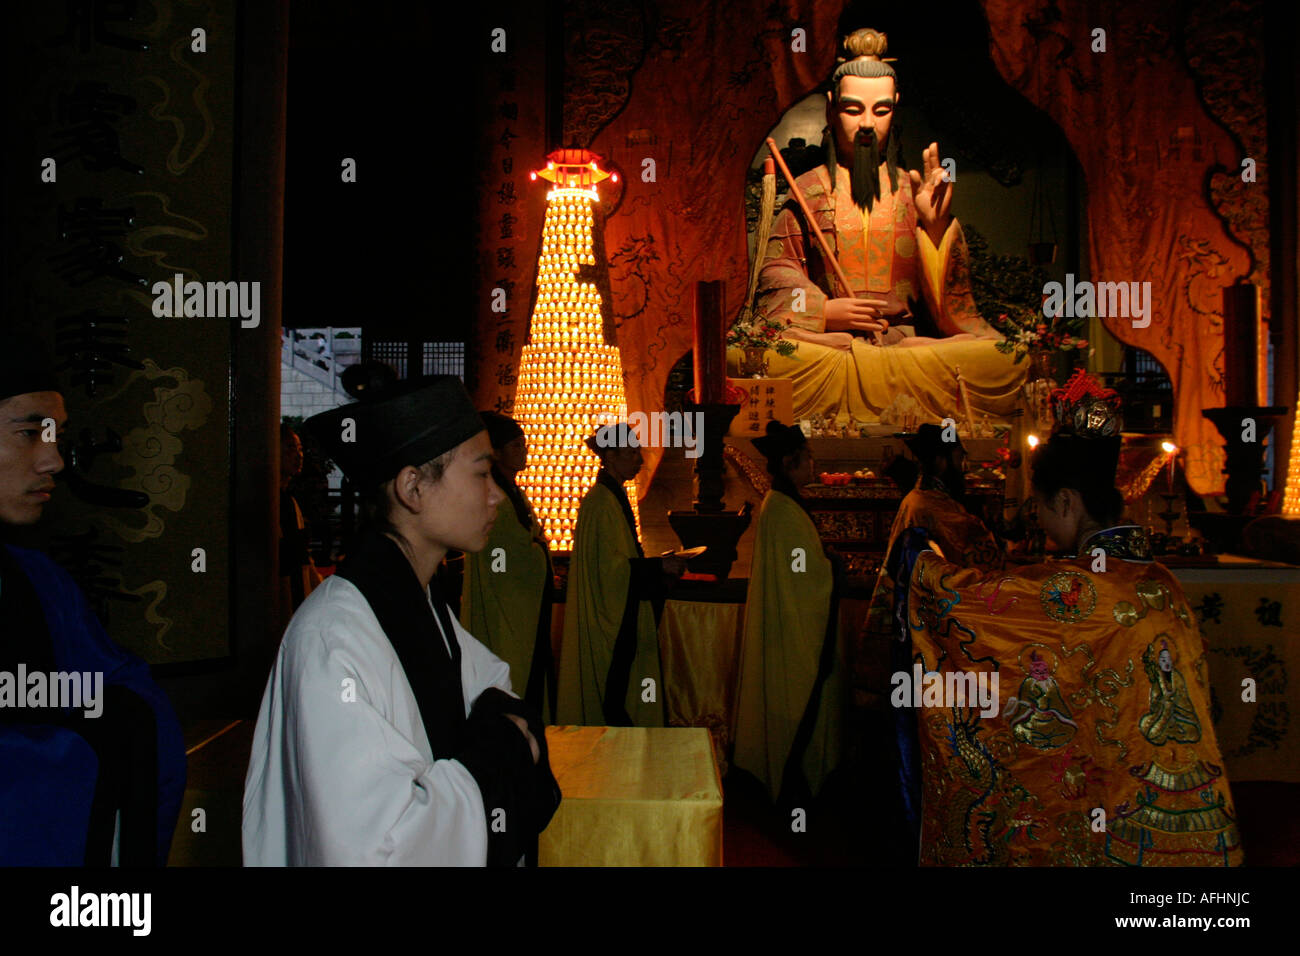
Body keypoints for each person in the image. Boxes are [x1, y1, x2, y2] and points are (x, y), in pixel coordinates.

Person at [889, 372, 1243, 865]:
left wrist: (919, 562)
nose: (1036, 517)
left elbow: (973, 605)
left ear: (1066, 501)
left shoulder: (1072, 588)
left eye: (1039, 505)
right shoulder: (1163, 581)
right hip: (1168, 785)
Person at [243, 376, 560, 866]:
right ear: (412, 487)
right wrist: (505, 748)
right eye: (481, 474)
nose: (496, 496)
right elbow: (382, 847)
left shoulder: (424, 601)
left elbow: (499, 693)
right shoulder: (333, 639)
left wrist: (494, 744)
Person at [740, 28, 1022, 425]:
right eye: (854, 110)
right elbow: (776, 272)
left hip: (907, 346)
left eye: (881, 110)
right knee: (757, 357)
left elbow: (950, 307)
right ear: (831, 108)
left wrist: (936, 228)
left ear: (896, 108)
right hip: (828, 346)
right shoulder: (807, 191)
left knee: (1000, 358)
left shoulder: (912, 191)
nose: (868, 123)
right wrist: (824, 310)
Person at [0, 336, 186, 866]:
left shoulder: (39, 580)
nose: (54, 460)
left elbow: (130, 700)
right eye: (30, 432)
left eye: (56, 436)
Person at [860, 423, 1004, 840]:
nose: (964, 464)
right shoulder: (937, 509)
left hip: (912, 629)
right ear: (941, 460)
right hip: (930, 635)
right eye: (959, 457)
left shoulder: (917, 499)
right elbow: (987, 564)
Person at [733, 421, 847, 806]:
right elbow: (802, 576)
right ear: (788, 462)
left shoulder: (781, 505)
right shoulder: (782, 510)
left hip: (786, 628)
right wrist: (830, 567)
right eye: (807, 458)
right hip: (794, 635)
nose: (812, 464)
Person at [556, 423, 683, 727]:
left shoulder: (612, 497)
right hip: (611, 619)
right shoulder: (600, 503)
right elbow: (609, 571)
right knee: (614, 697)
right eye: (631, 453)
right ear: (610, 456)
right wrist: (657, 567)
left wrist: (653, 565)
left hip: (622, 609)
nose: (639, 460)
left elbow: (619, 562)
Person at [460, 412, 556, 722]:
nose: (524, 450)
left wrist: (538, 548)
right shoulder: (495, 498)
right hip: (505, 604)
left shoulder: (513, 492)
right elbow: (511, 553)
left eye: (524, 443)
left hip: (520, 603)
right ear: (496, 452)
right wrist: (540, 551)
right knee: (510, 669)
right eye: (516, 445)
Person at [278, 422, 322, 623]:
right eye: (290, 447)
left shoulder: (289, 500)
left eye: (300, 449)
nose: (298, 454)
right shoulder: (275, 502)